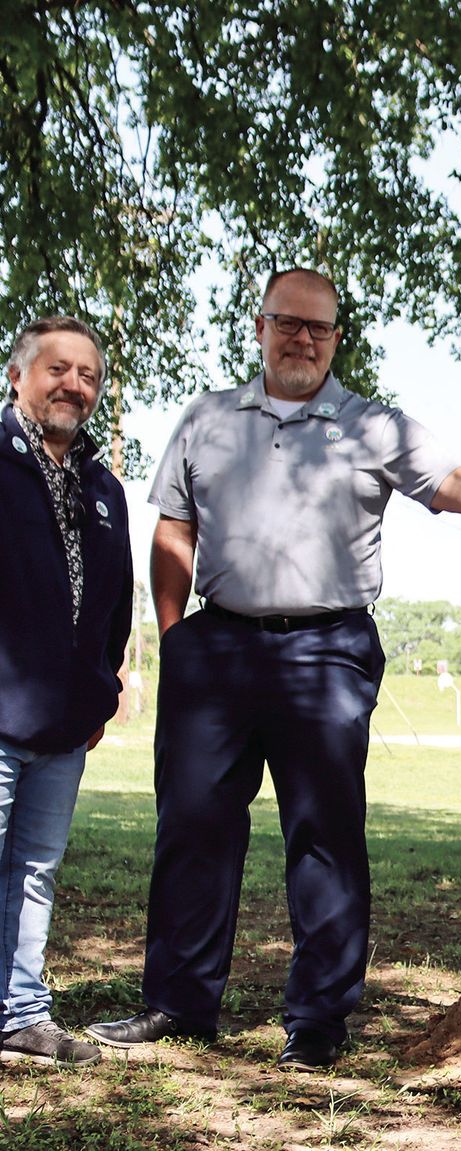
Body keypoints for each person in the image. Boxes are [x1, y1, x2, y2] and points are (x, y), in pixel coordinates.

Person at [88, 268, 461, 1071]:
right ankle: (180, 1005)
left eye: (318, 328)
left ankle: (318, 1023)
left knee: (325, 835)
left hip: (327, 649)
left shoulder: (374, 426)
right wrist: (174, 635)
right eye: (286, 323)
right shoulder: (206, 418)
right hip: (216, 648)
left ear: (337, 340)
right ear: (257, 327)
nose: (301, 338)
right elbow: (173, 528)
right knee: (191, 826)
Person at [0, 317, 133, 1067]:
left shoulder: (103, 486)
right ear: (18, 374)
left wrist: (98, 693)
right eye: (57, 368)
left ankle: (22, 1011)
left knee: (35, 869)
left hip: (63, 726)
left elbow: (116, 605)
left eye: (87, 374)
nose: (73, 384)